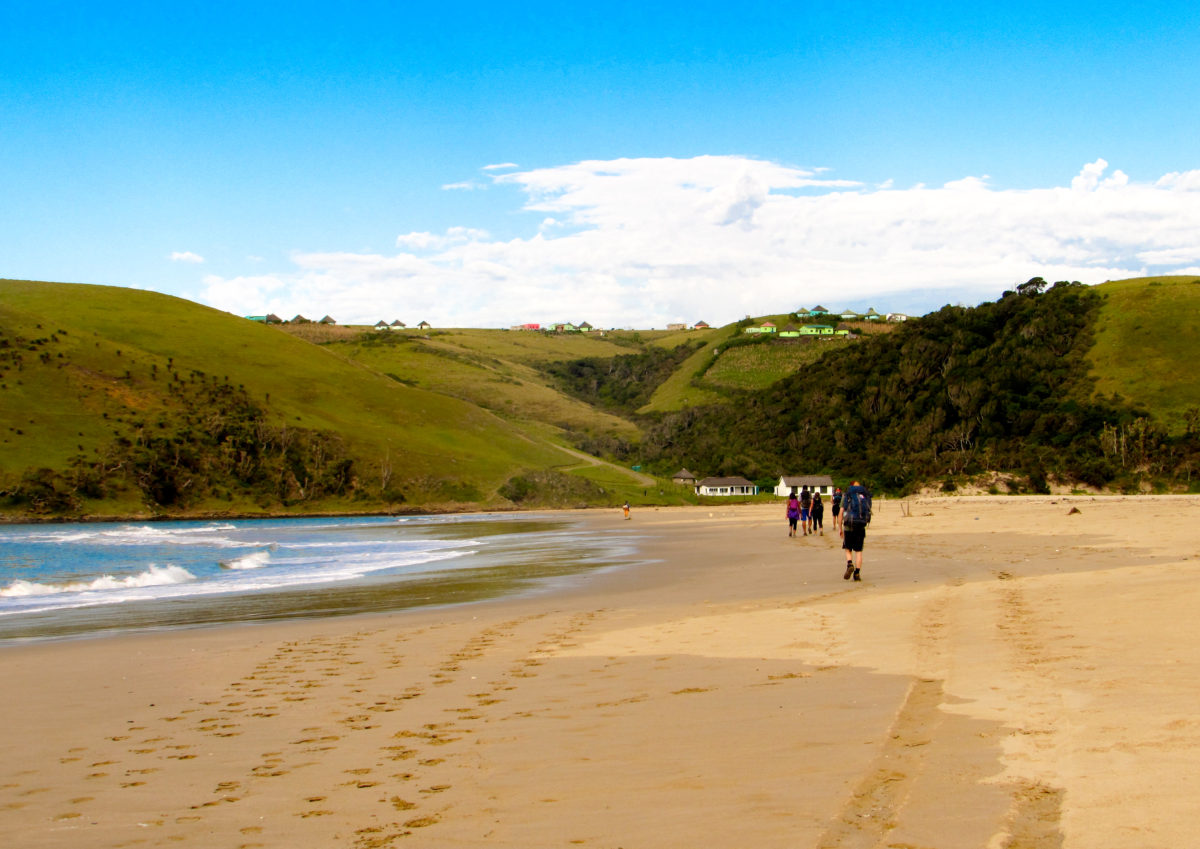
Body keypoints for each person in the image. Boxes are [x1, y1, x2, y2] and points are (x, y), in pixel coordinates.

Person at [840, 480, 872, 581]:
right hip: (860, 526)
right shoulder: (864, 496)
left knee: (848, 549)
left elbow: (841, 512)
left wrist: (839, 527)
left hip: (848, 526)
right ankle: (857, 573)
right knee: (859, 551)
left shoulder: (847, 495)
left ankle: (849, 564)